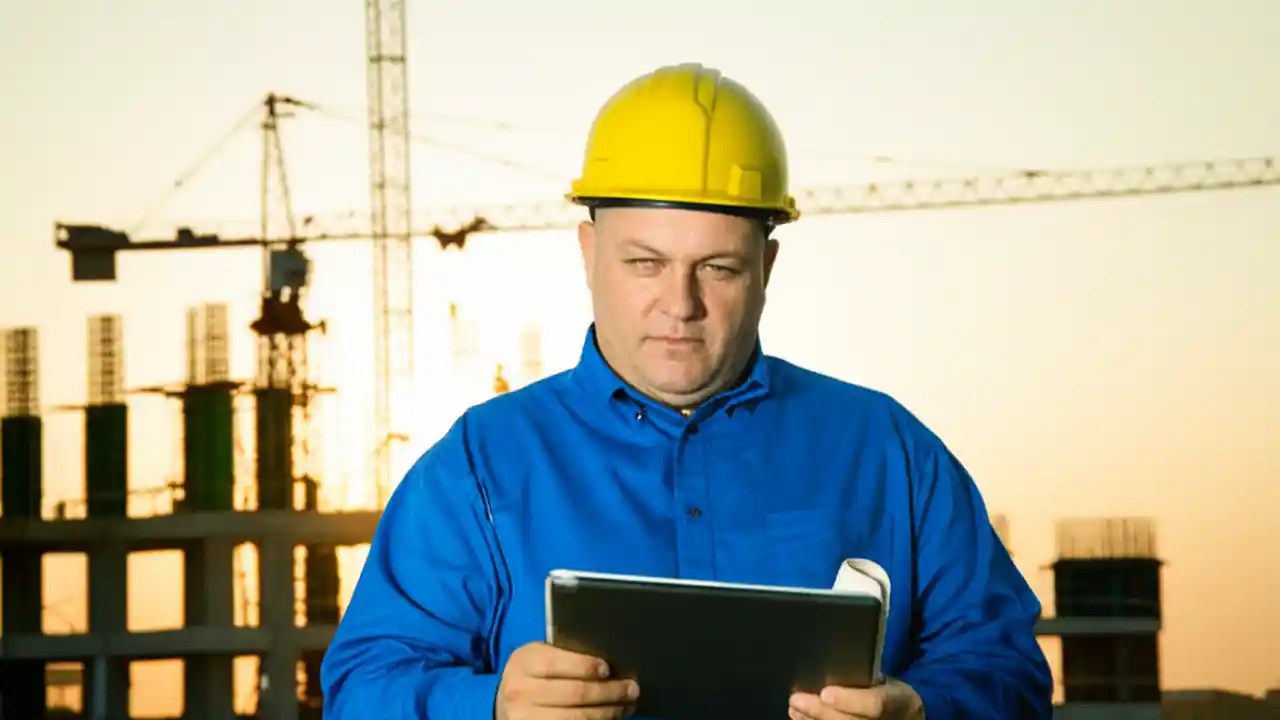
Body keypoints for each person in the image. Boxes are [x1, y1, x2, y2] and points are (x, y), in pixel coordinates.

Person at [321, 62, 1053, 719]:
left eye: (719, 269)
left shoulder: (891, 453)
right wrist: (490, 708)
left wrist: (921, 712)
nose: (681, 304)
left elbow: (1009, 672)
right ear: (588, 253)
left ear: (767, 266)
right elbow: (363, 689)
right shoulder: (478, 466)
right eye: (645, 264)